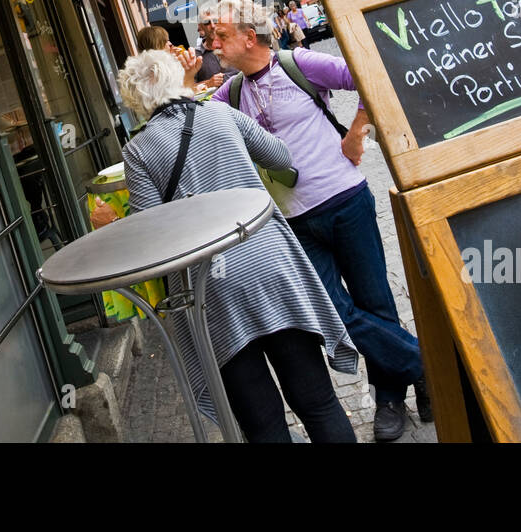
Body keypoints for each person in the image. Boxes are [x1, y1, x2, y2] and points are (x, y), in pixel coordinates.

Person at [211, 0, 429, 441]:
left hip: (345, 200)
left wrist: (356, 132)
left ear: (248, 38)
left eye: (220, 35)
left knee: (374, 302)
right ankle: (426, 366)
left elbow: (370, 76)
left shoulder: (299, 63)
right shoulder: (227, 95)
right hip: (291, 223)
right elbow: (191, 124)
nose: (211, 43)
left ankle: (389, 400)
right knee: (334, 311)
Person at [118, 50, 358, 443]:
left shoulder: (138, 151)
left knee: (263, 427)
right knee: (318, 403)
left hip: (211, 290)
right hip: (270, 267)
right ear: (178, 81)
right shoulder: (221, 114)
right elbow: (280, 157)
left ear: (137, 101)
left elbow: (152, 233)